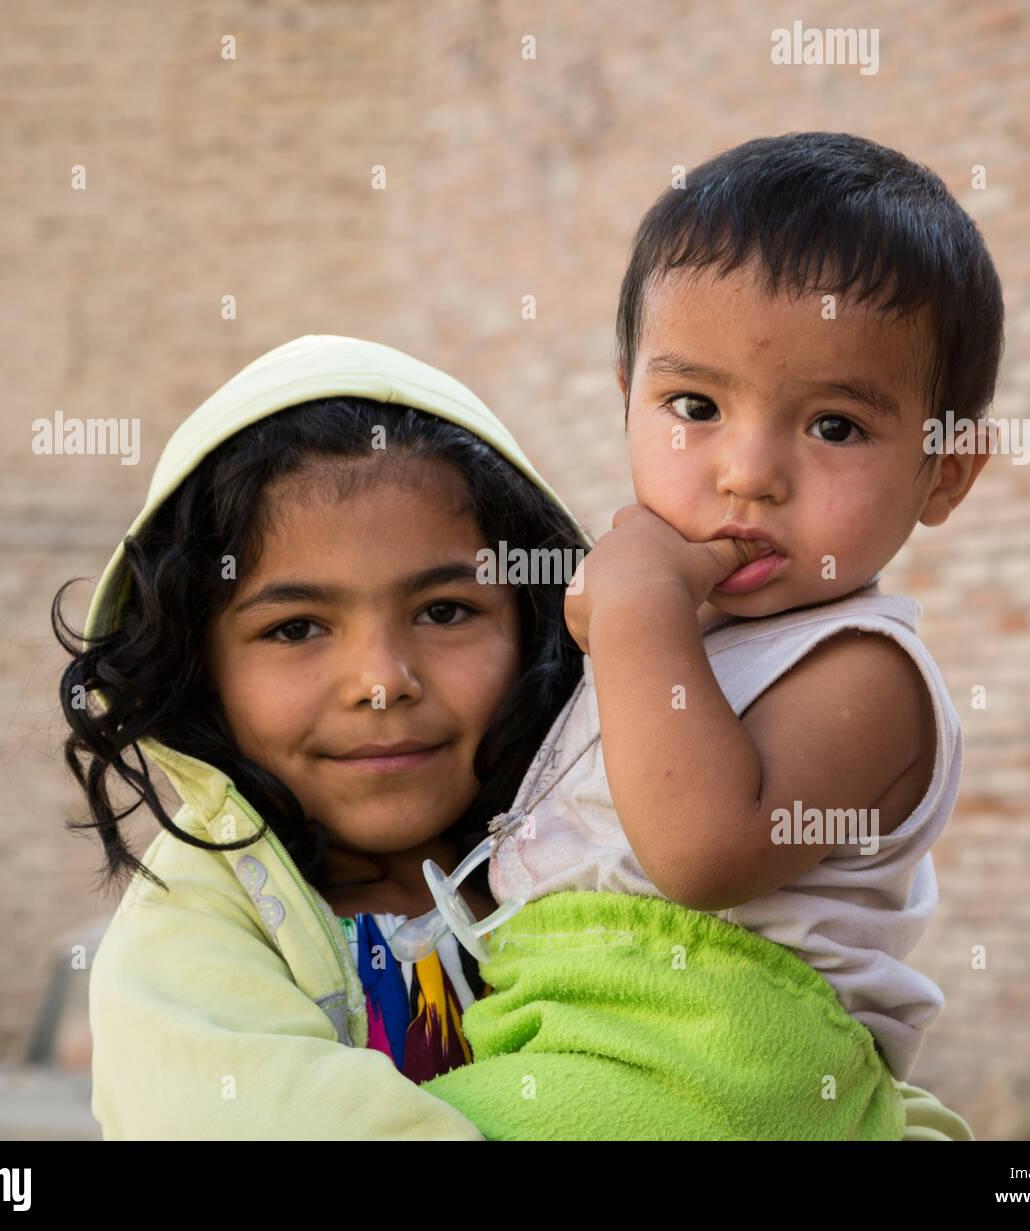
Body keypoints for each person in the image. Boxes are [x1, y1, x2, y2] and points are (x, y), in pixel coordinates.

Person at [421, 133, 999, 1140]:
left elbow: (697, 850)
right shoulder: (684, 633)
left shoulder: (864, 673)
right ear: (628, 405)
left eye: (832, 426)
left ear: (944, 471)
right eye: (694, 406)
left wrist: (636, 612)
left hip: (722, 1057)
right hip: (581, 1031)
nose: (747, 472)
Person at [57, 334, 587, 1137]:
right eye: (297, 627)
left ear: (536, 625)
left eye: (445, 610)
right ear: (201, 667)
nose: (381, 681)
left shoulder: (603, 858)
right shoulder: (185, 945)